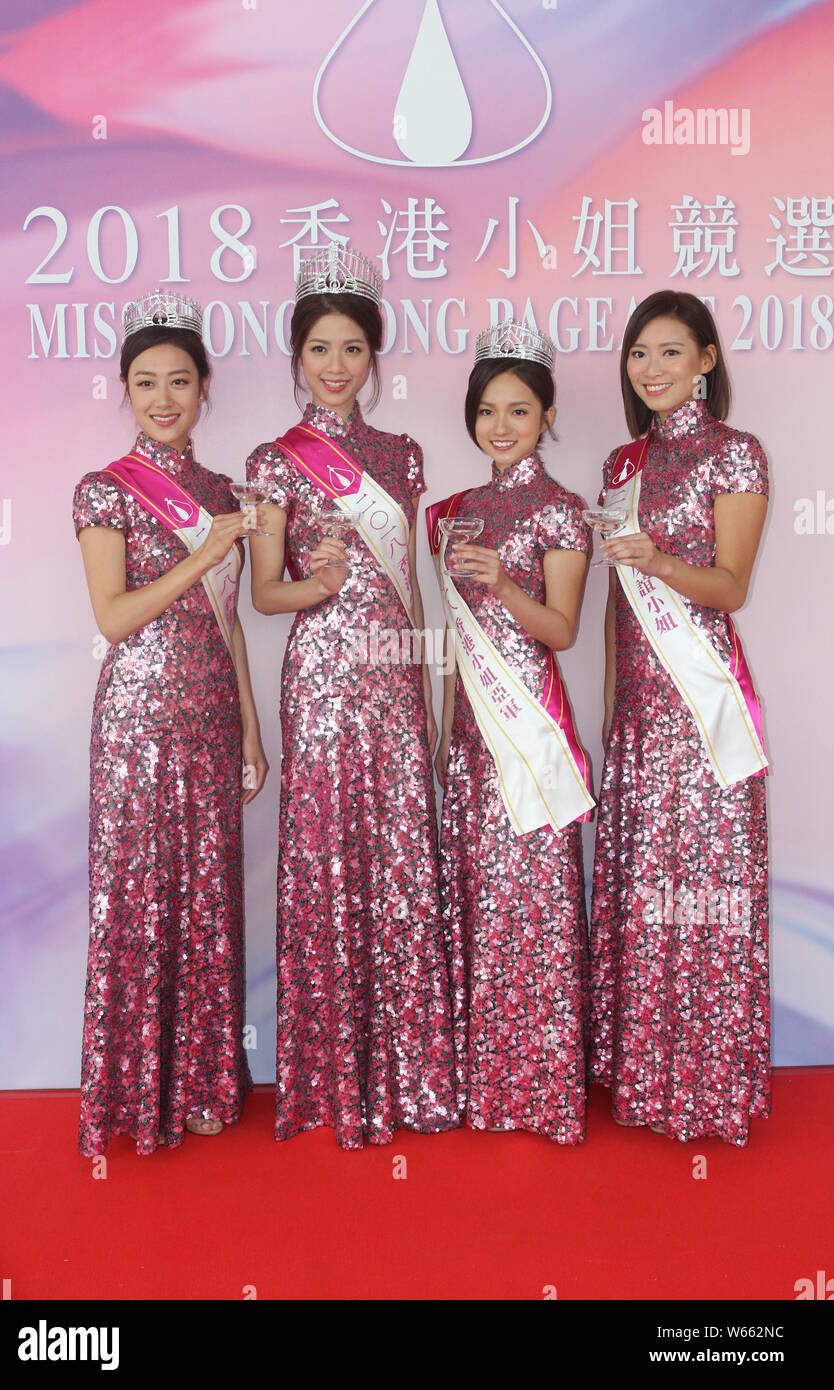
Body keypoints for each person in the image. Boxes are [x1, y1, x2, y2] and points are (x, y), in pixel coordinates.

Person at [245, 245, 459, 1149]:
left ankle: (407, 1076)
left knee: (399, 863)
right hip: (322, 684)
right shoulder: (269, 460)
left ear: (375, 356)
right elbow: (264, 594)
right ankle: (331, 1080)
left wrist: (429, 687)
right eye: (320, 349)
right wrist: (316, 583)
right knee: (327, 865)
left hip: (392, 685)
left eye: (353, 350)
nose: (335, 366)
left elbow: (412, 579)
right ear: (297, 354)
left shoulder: (403, 457)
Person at [73, 289, 267, 1156]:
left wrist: (254, 733)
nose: (163, 398)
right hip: (136, 725)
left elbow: (233, 626)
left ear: (204, 388)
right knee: (140, 903)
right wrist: (203, 553)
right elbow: (114, 617)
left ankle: (201, 1082)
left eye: (179, 381)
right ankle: (134, 1093)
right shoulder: (104, 493)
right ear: (124, 389)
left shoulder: (225, 493)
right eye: (146, 382)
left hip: (213, 720)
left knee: (207, 901)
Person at [589, 289, 770, 1146]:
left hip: (704, 714)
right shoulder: (621, 468)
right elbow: (613, 616)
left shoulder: (735, 456)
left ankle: (708, 1083)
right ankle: (647, 1079)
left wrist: (659, 559)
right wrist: (609, 713)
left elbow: (731, 586)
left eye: (670, 352)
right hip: (639, 721)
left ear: (705, 358)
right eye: (639, 354)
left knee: (705, 899)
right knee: (647, 895)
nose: (652, 369)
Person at [430, 321, 594, 1142]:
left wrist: (503, 583)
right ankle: (484, 1080)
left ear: (547, 414)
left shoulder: (562, 511)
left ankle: (542, 1085)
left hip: (528, 725)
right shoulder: (450, 515)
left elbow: (560, 628)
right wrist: (444, 723)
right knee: (478, 900)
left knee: (535, 902)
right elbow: (454, 646)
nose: (501, 425)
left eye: (519, 410)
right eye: (488, 410)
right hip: (470, 733)